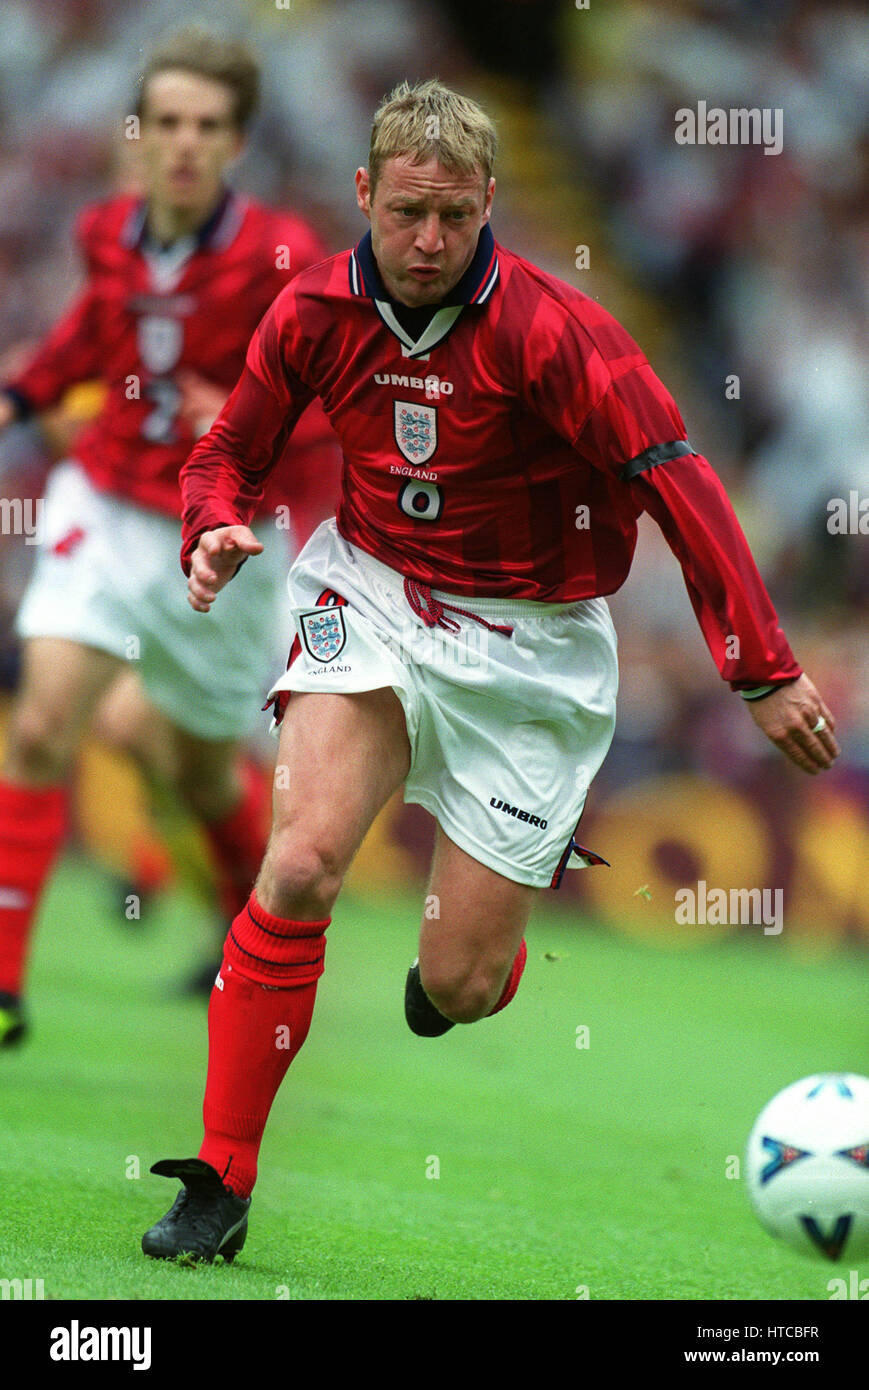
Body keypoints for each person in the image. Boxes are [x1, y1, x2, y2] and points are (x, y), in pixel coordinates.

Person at [141, 78, 839, 1264]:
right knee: (301, 859)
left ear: (487, 207)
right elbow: (231, 448)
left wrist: (758, 667)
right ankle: (221, 1176)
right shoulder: (313, 308)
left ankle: (478, 963)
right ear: (363, 193)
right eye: (406, 211)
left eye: (453, 217)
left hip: (532, 650)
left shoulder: (556, 330)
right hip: (367, 589)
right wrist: (209, 520)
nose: (426, 241)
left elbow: (679, 478)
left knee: (455, 985)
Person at [0, 27, 339, 1047]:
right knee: (41, 724)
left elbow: (339, 401)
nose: (185, 145)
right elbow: (90, 338)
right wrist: (21, 394)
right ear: (138, 137)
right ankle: (6, 988)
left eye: (208, 126)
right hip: (101, 501)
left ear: (234, 142)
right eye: (169, 125)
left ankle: (255, 935)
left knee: (195, 768)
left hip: (219, 536)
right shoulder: (107, 231)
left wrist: (246, 420)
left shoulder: (284, 257)